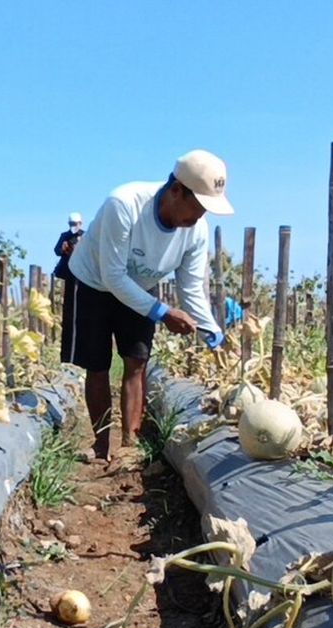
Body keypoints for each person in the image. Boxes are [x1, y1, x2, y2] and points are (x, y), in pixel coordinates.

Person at [61, 149, 233, 462]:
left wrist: (212, 332)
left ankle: (129, 446)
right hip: (93, 282)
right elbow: (113, 276)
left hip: (140, 287)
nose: (199, 217)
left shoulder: (196, 229)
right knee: (97, 366)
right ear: (176, 190)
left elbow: (192, 286)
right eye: (198, 207)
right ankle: (101, 447)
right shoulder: (124, 205)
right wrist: (162, 312)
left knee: (137, 361)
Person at [53, 212, 83, 279]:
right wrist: (62, 249)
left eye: (75, 224)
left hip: (81, 270)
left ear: (80, 224)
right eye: (71, 224)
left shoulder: (84, 235)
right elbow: (57, 251)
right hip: (66, 270)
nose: (73, 226)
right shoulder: (64, 235)